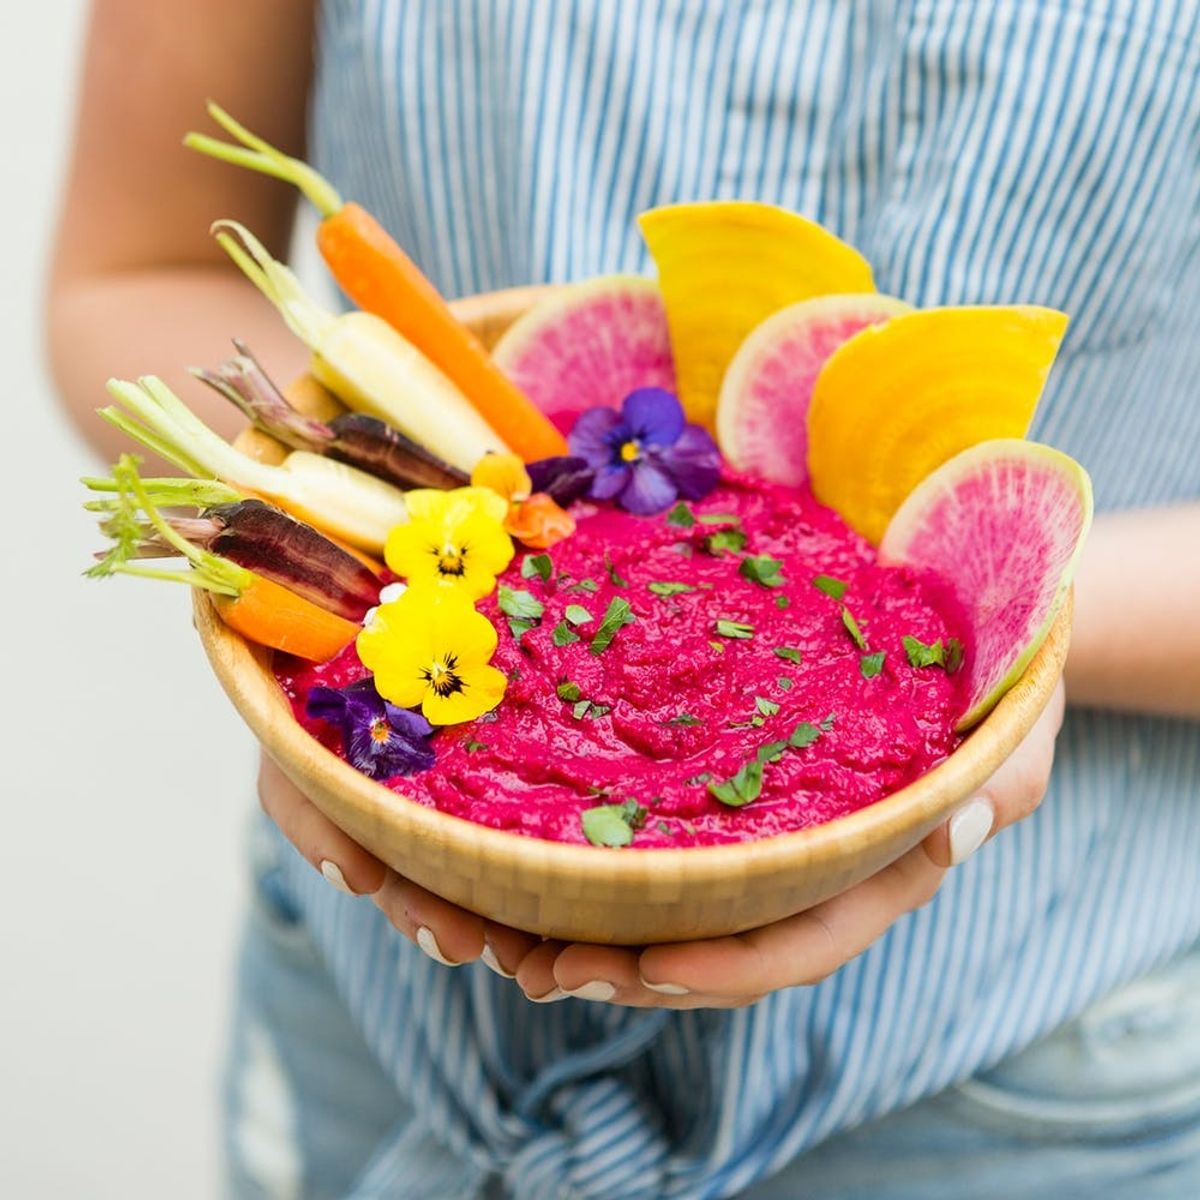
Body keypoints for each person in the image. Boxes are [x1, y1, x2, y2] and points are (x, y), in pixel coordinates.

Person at [48, 1, 1200, 1196]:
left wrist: (1013, 617)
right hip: (385, 1041)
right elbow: (136, 271)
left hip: (1024, 1079)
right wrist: (312, 514)